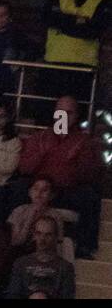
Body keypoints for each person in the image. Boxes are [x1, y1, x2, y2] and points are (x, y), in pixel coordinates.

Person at [13, 96, 102, 257]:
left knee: (90, 196)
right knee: (16, 187)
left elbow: (90, 175)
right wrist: (42, 152)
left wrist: (77, 160)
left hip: (65, 190)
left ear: (76, 116)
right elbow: (24, 168)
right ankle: (9, 239)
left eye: (70, 113)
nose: (65, 117)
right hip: (39, 188)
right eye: (62, 112)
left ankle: (85, 247)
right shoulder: (40, 138)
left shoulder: (84, 141)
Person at [40, 0, 108, 96]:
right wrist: (79, 22)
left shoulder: (103, 1)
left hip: (83, 67)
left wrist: (64, 21)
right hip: (54, 63)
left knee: (76, 112)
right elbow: (47, 18)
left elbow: (94, 30)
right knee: (52, 112)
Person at [6, 216, 75, 299]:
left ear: (56, 237)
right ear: (34, 235)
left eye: (48, 235)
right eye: (39, 233)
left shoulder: (65, 268)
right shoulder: (20, 263)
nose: (42, 238)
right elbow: (13, 295)